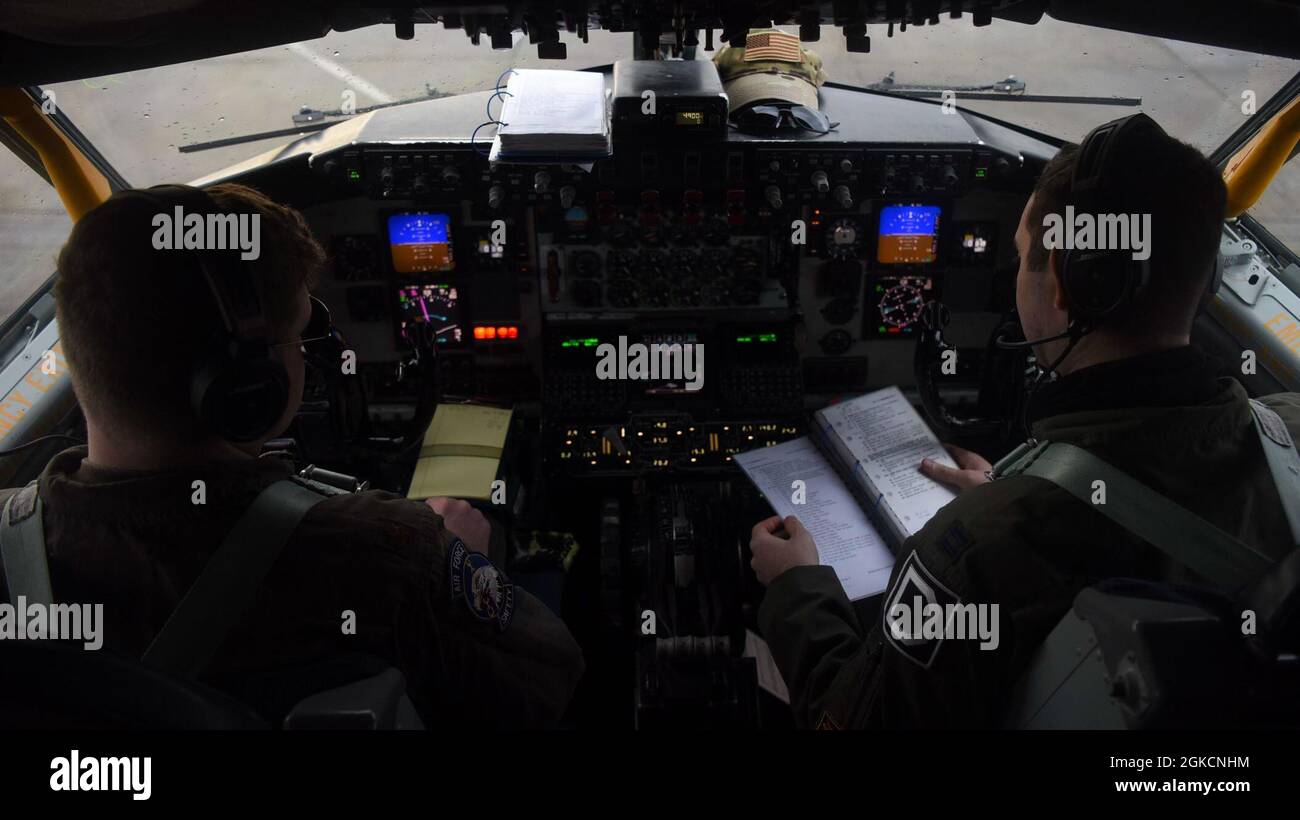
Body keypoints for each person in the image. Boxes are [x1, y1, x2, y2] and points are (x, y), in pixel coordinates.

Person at [749, 115, 1300, 728]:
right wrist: (1009, 497)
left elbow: (846, 721)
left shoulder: (982, 550)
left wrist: (797, 589)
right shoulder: (1291, 431)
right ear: (1203, 283)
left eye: (1020, 258)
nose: (1015, 280)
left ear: (1067, 279)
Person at [0, 183, 583, 728]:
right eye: (303, 333)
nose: (310, 355)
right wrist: (466, 560)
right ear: (250, 384)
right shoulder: (391, 556)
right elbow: (549, 685)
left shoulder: (10, 543)